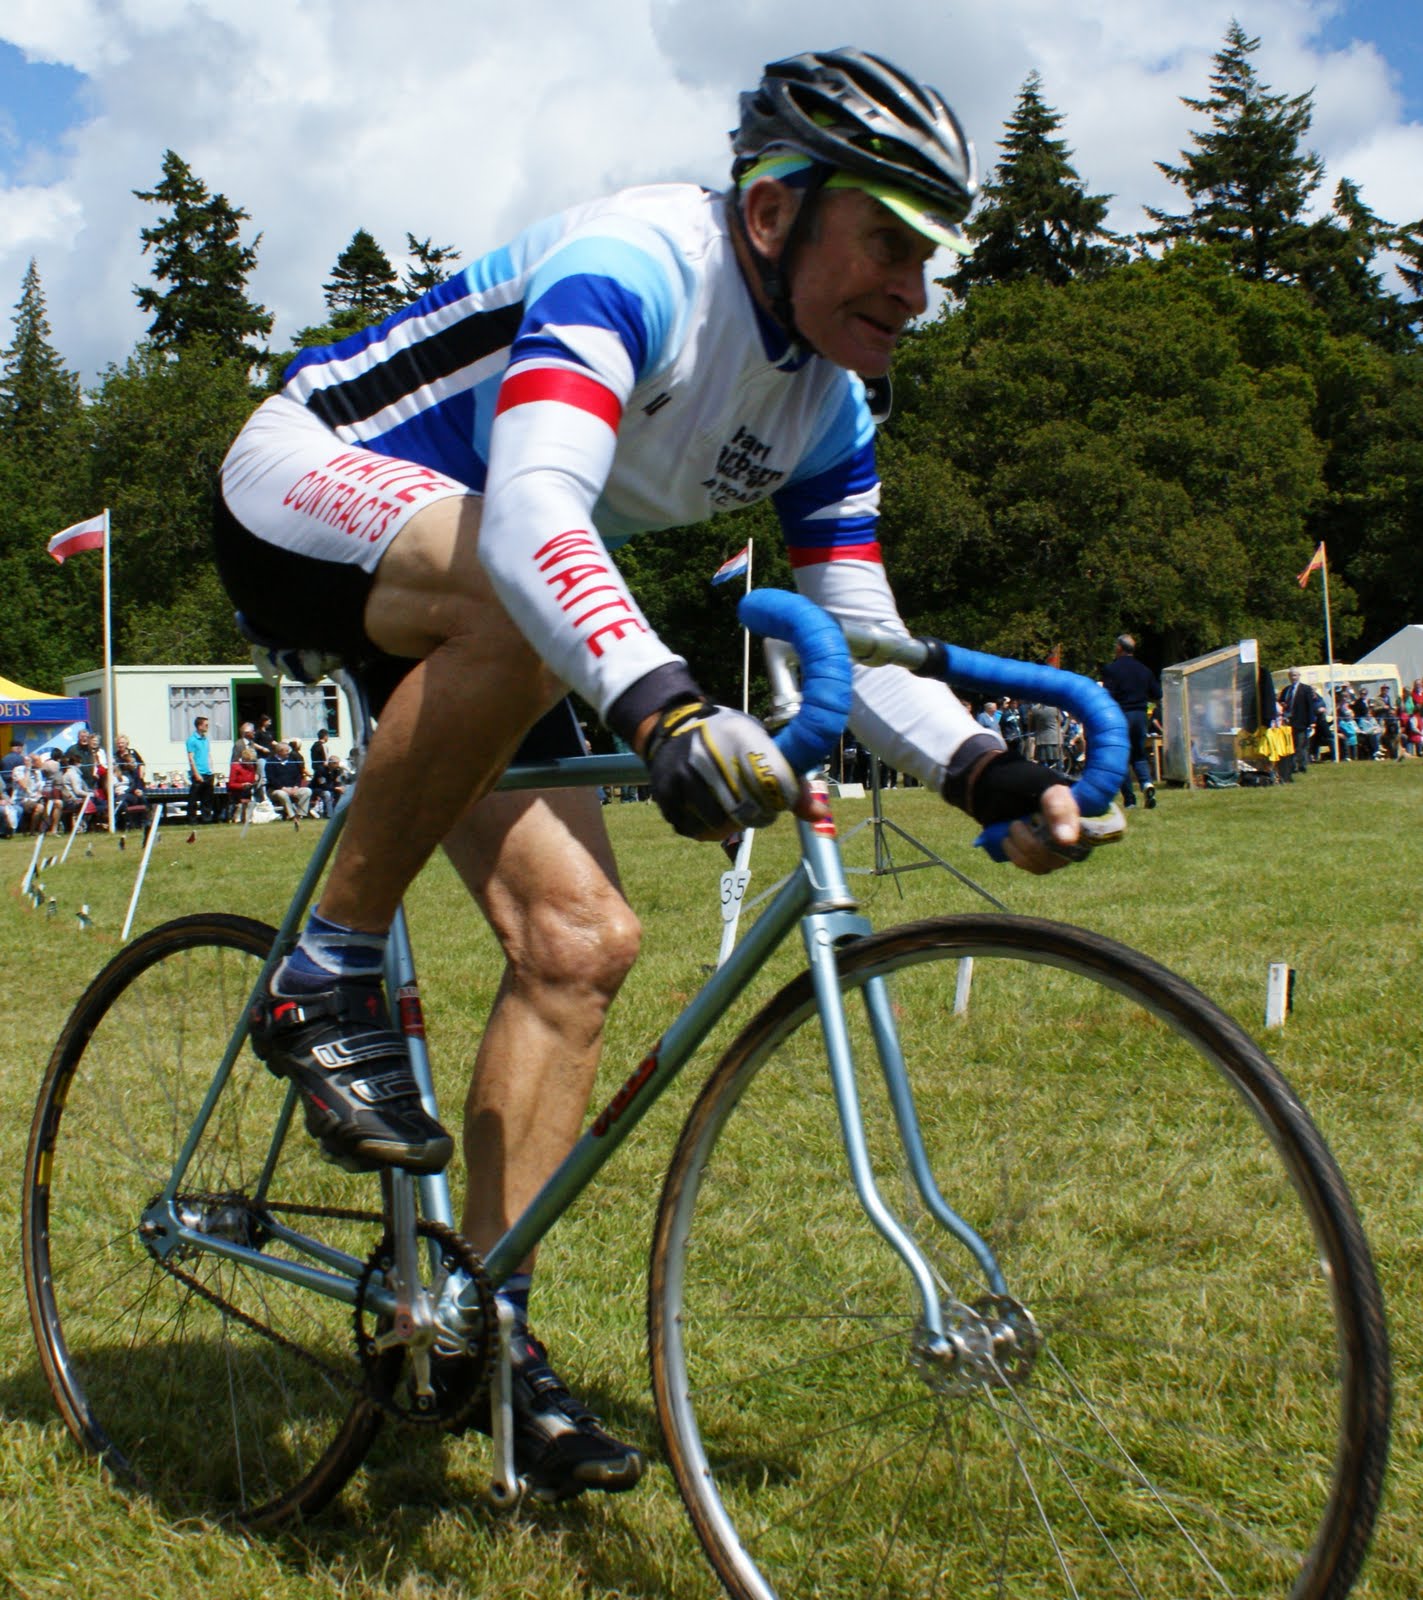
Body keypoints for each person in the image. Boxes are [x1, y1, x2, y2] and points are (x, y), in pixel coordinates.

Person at [212, 47, 1097, 1503]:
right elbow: (539, 511)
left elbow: (856, 652)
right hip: (313, 483)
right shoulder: (637, 266)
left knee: (580, 942)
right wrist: (663, 706)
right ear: (770, 211)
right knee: (515, 584)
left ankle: (475, 1326)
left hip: (483, 583)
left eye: (930, 256)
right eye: (886, 241)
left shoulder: (832, 405)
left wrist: (989, 774)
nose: (914, 290)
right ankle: (324, 969)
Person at [1101, 634, 1160, 808]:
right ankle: (1146, 783)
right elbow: (1158, 694)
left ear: (1120, 647)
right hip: (1140, 716)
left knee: (1121, 757)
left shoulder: (1112, 669)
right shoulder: (1144, 670)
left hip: (1121, 715)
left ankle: (1129, 799)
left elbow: (1108, 696)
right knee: (1139, 754)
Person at [1279, 668, 1319, 779]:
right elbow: (1281, 702)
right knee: (1290, 745)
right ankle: (1292, 766)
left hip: (1301, 721)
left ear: (1299, 676)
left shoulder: (1305, 689)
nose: (1293, 677)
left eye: (1295, 675)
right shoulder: (1286, 690)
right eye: (1291, 675)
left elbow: (1310, 706)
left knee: (1300, 745)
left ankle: (1302, 766)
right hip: (1288, 722)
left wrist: (1311, 722)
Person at [185, 715, 215, 824]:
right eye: (205, 725)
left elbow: (208, 754)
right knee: (194, 798)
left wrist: (211, 769)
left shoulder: (206, 740)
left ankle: (206, 819)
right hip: (198, 773)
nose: (207, 727)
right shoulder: (192, 740)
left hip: (208, 773)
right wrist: (196, 774)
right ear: (199, 726)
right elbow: (191, 758)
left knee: (207, 799)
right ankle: (192, 819)